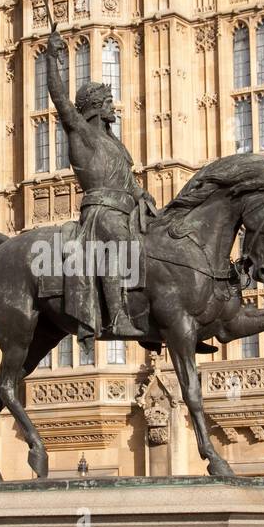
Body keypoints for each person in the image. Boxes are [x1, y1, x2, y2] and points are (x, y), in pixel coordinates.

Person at [46, 29, 157, 340]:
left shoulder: (114, 144)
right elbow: (58, 97)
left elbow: (127, 181)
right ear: (95, 106)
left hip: (126, 209)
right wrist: (51, 57)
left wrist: (142, 195)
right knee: (117, 243)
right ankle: (118, 317)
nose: (113, 107)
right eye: (108, 101)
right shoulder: (82, 132)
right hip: (101, 212)